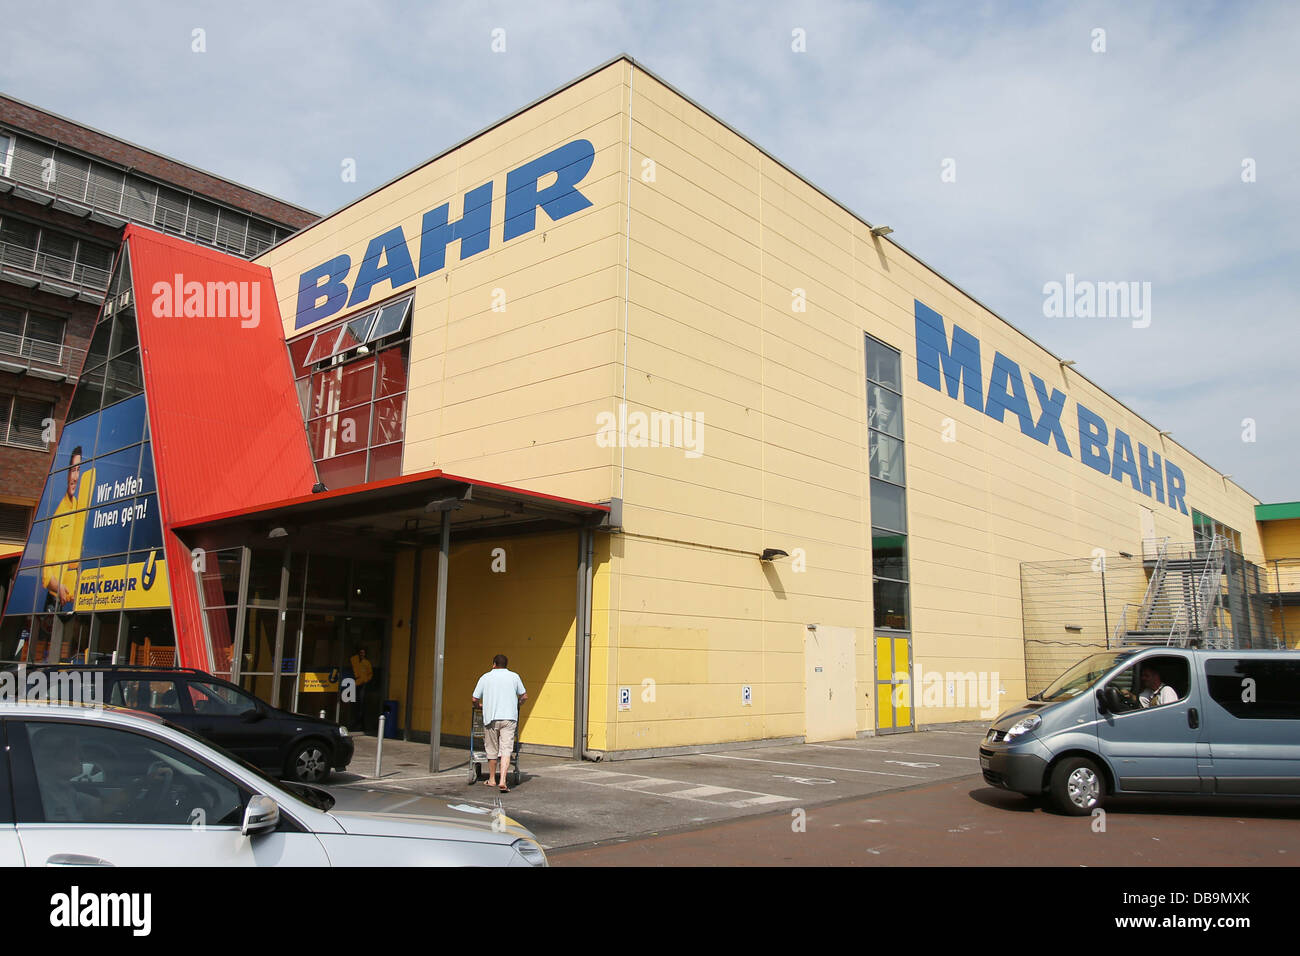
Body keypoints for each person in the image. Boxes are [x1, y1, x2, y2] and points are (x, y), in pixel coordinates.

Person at [41, 446, 96, 614]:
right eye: (72, 470)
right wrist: (60, 587)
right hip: (56, 600)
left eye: (79, 470)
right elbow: (46, 574)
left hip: (78, 599)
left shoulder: (83, 508)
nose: (74, 477)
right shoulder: (60, 512)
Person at [471, 654, 527, 792]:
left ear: (493, 664)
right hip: (509, 718)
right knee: (506, 749)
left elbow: (474, 698)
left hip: (491, 717)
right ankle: (503, 780)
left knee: (492, 749)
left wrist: (479, 706)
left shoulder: (485, 677)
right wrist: (518, 704)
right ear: (506, 664)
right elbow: (524, 696)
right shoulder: (514, 676)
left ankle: (492, 779)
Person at [349, 646, 373, 732]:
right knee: (354, 703)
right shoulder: (354, 660)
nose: (362, 654)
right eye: (360, 653)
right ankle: (354, 722)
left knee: (361, 704)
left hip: (363, 685)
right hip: (354, 684)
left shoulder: (367, 663)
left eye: (363, 653)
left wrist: (366, 680)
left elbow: (370, 673)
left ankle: (361, 723)